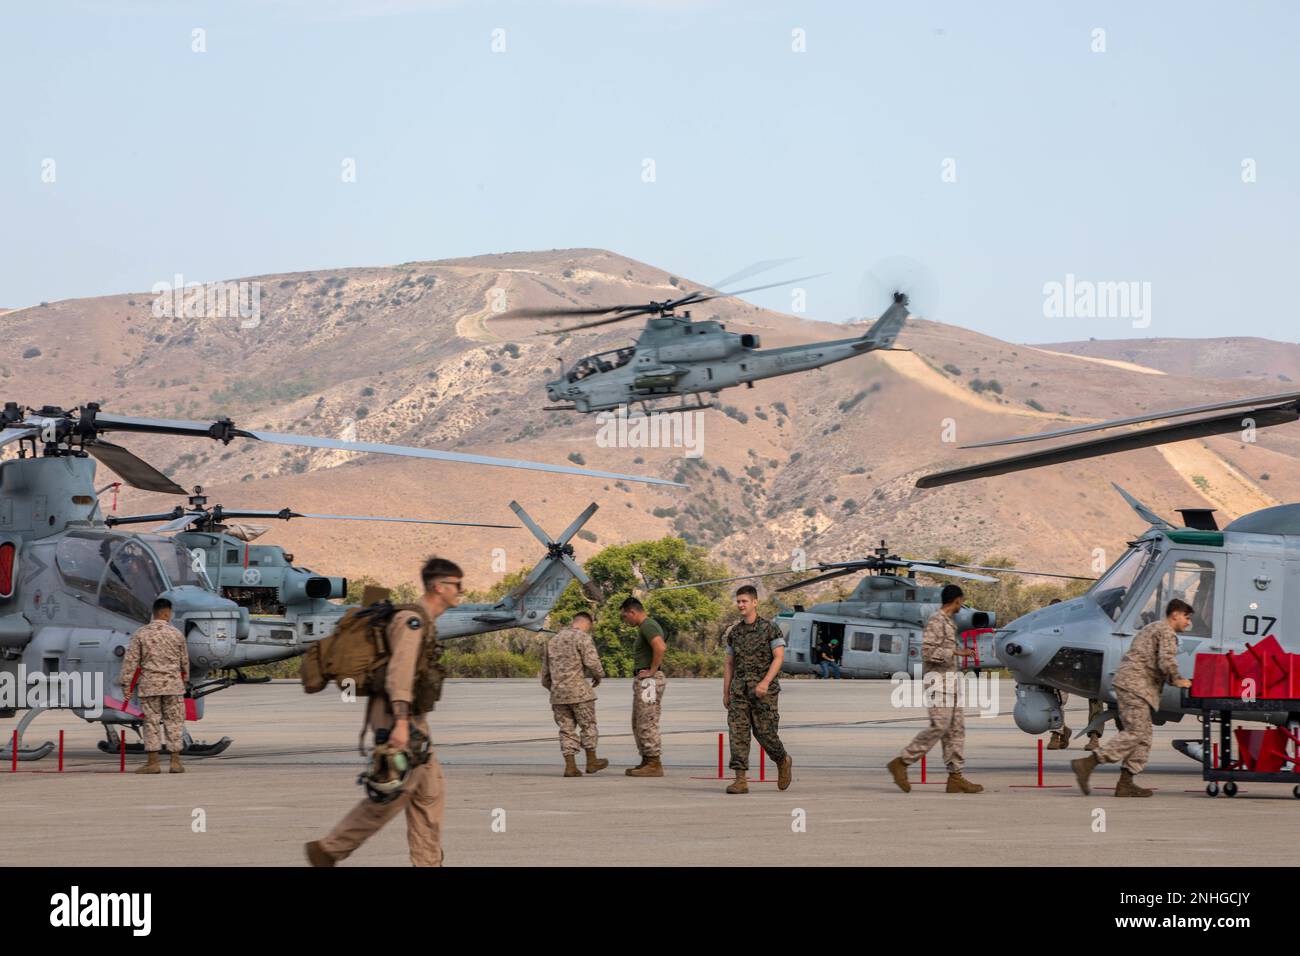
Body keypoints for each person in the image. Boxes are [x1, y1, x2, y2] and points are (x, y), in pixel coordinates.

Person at [306, 557, 461, 867]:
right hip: (396, 716)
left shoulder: (423, 622)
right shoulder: (411, 623)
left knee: (430, 793)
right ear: (438, 586)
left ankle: (428, 862)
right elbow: (399, 674)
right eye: (456, 585)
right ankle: (330, 849)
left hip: (411, 718)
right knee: (392, 793)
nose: (461, 591)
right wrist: (401, 725)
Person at [1072, 599, 1194, 798]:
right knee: (1136, 732)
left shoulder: (1152, 627)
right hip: (1136, 686)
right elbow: (1165, 661)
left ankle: (1125, 783)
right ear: (1175, 615)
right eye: (1186, 618)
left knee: (1143, 737)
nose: (1188, 623)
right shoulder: (1166, 632)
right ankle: (1088, 763)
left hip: (1134, 685)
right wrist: (1178, 680)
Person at [887, 585, 983, 794]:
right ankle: (902, 762)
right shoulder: (936, 620)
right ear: (957, 600)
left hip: (951, 683)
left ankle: (955, 776)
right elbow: (928, 652)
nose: (961, 606)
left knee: (956, 729)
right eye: (961, 601)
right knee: (939, 726)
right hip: (937, 683)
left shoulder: (949, 622)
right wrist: (956, 652)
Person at [722, 586, 792, 794]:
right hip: (739, 692)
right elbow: (729, 664)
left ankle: (782, 759)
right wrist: (726, 692)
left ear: (755, 602)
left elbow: (779, 657)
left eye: (744, 601)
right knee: (738, 733)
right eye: (738, 601)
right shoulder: (734, 633)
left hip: (764, 692)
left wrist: (765, 682)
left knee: (765, 733)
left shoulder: (770, 629)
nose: (741, 605)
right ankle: (740, 779)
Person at [120, 597, 189, 774]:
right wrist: (185, 681)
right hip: (173, 686)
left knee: (151, 722)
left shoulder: (141, 634)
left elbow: (130, 662)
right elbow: (185, 663)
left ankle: (153, 763)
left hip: (149, 686)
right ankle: (175, 762)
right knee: (174, 722)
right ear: (167, 613)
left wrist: (126, 687)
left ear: (154, 612)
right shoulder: (176, 634)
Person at [540, 611, 608, 776]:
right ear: (588, 623)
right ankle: (592, 761)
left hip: (558, 695)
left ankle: (570, 766)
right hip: (579, 693)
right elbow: (592, 662)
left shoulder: (553, 640)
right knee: (588, 726)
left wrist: (556, 688)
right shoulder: (582, 638)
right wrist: (599, 676)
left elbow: (545, 675)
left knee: (566, 729)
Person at [620, 597, 667, 777]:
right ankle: (647, 760)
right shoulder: (645, 627)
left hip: (649, 681)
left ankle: (654, 762)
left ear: (632, 612)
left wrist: (652, 670)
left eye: (625, 617)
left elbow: (660, 647)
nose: (626, 621)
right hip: (646, 680)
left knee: (647, 721)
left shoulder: (648, 625)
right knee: (639, 722)